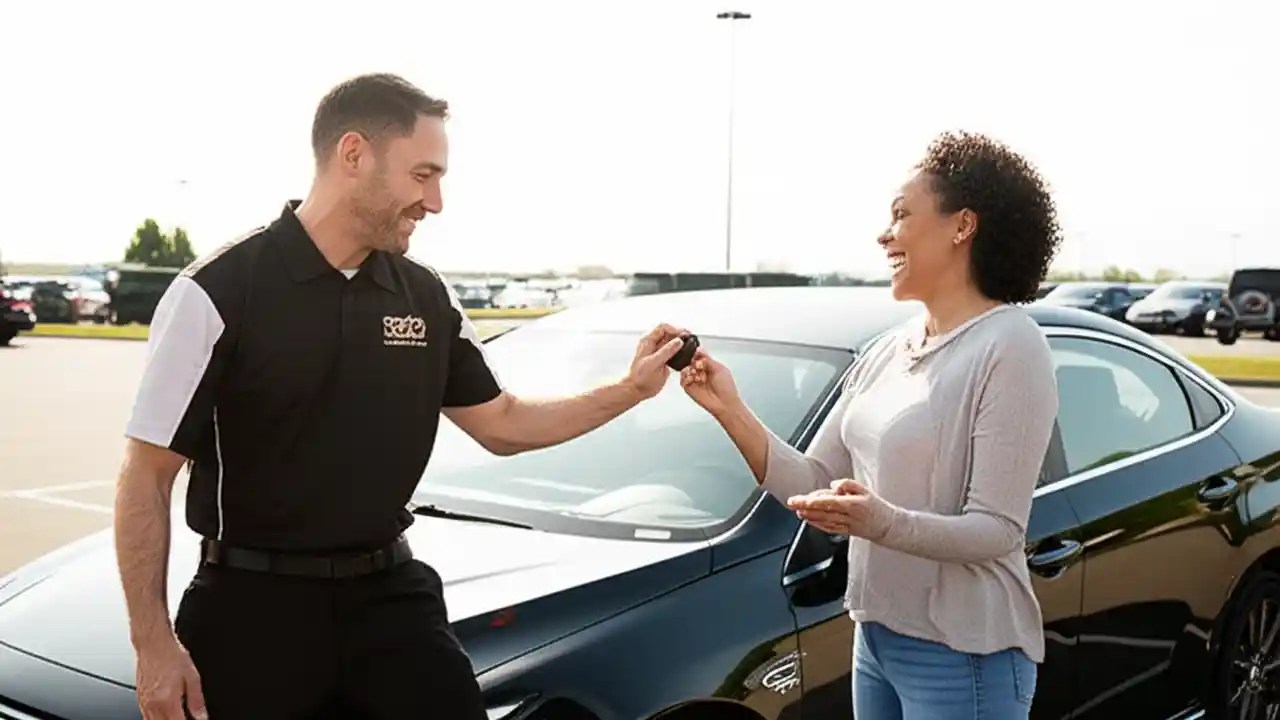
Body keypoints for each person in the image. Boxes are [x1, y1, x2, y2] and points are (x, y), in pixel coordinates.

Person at [113, 72, 688, 720]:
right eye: (422, 175)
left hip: (392, 604)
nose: (435, 201)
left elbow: (503, 424)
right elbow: (147, 474)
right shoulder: (216, 292)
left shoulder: (425, 296)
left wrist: (630, 390)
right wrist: (152, 643)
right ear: (353, 154)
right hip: (249, 612)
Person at [680, 130, 1062, 719]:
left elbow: (997, 531)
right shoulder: (890, 348)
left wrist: (879, 522)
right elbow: (811, 479)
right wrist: (728, 407)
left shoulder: (1011, 344)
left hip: (964, 655)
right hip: (876, 639)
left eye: (902, 215)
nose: (885, 234)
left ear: (962, 226)